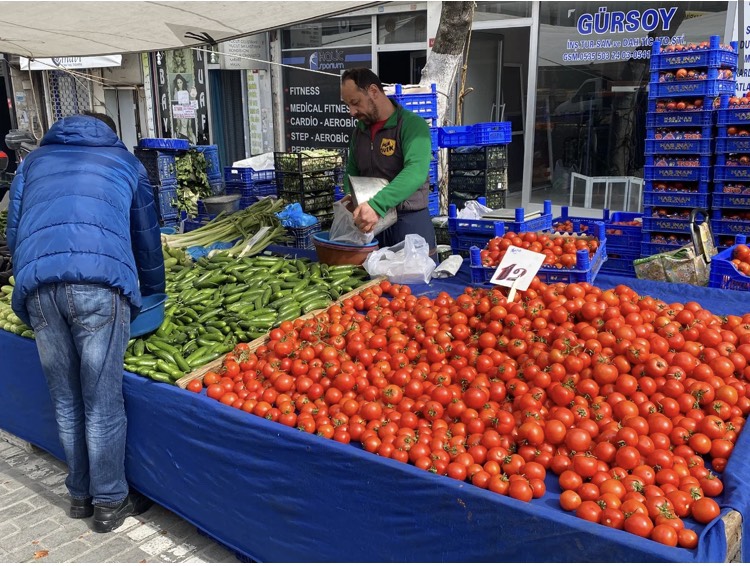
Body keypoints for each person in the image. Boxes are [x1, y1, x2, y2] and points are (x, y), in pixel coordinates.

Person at [6, 111, 166, 533]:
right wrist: (153, 291)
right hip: (100, 286)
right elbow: (146, 238)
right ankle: (111, 500)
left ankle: (79, 494)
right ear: (111, 134)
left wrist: (30, 274)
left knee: (65, 397)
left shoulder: (33, 162)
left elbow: (14, 230)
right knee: (101, 400)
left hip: (39, 287)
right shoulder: (125, 163)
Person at [340, 68, 436, 253]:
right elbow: (352, 170)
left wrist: (376, 205)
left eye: (355, 103)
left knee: (413, 281)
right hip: (372, 225)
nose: (352, 112)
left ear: (374, 91)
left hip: (408, 222)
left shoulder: (412, 126)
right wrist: (351, 194)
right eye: (348, 105)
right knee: (372, 280)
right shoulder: (359, 132)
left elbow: (415, 172)